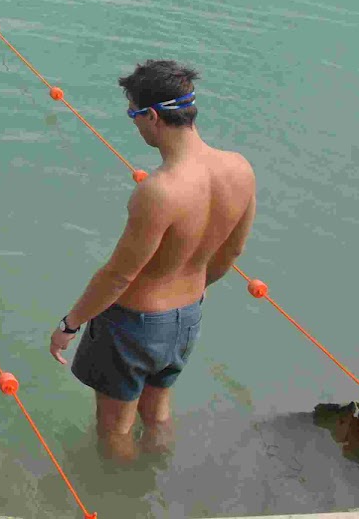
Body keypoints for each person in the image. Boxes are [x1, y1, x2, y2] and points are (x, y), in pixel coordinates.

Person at [48, 60, 256, 461]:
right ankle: (160, 479)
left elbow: (119, 275)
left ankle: (124, 496)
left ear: (152, 116)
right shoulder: (239, 169)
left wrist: (69, 324)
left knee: (115, 429)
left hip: (134, 325)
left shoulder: (160, 191)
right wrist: (195, 290)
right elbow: (233, 251)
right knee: (158, 414)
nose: (135, 126)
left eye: (133, 115)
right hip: (187, 318)